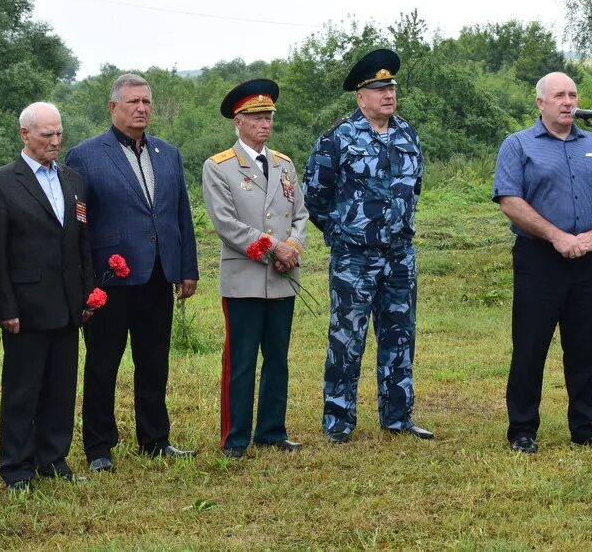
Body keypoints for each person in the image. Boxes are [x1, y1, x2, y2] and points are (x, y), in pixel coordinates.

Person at [66, 74, 199, 472]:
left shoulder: (167, 153)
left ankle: (156, 439)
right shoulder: (85, 155)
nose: (141, 108)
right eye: (133, 102)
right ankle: (100, 447)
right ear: (113, 107)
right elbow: (78, 226)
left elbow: (181, 215)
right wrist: (86, 283)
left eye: (146, 102)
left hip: (159, 274)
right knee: (103, 364)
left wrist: (187, 267)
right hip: (111, 280)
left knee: (154, 361)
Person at [303, 48, 434, 443]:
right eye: (378, 89)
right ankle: (338, 422)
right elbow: (315, 196)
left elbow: (415, 189)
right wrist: (342, 233)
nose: (388, 95)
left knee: (399, 335)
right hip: (355, 258)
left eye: (391, 87)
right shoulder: (338, 138)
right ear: (361, 97)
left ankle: (398, 417)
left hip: (399, 255)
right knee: (347, 339)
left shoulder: (407, 134)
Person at [493, 72, 592, 454]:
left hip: (587, 259)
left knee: (584, 347)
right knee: (531, 346)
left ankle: (585, 427)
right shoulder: (518, 145)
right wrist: (557, 236)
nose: (568, 102)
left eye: (573, 95)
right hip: (539, 260)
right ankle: (522, 429)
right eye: (559, 96)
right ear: (541, 103)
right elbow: (509, 199)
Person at [0, 102, 94, 490]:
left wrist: (89, 294)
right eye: (46, 135)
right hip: (26, 306)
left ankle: (53, 458)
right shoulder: (0, 183)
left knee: (61, 387)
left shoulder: (73, 179)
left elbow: (83, 243)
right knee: (22, 390)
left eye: (59, 133)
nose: (55, 141)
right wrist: (6, 306)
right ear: (25, 134)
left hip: (68, 302)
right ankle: (16, 467)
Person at [201, 79, 308, 458]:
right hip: (245, 278)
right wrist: (273, 249)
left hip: (283, 278)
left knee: (278, 357)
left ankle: (272, 431)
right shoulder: (219, 167)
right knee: (241, 360)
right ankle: (235, 437)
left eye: (269, 117)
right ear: (238, 121)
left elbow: (300, 214)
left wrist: (292, 247)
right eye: (256, 117)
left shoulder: (285, 164)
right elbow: (226, 224)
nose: (265, 123)